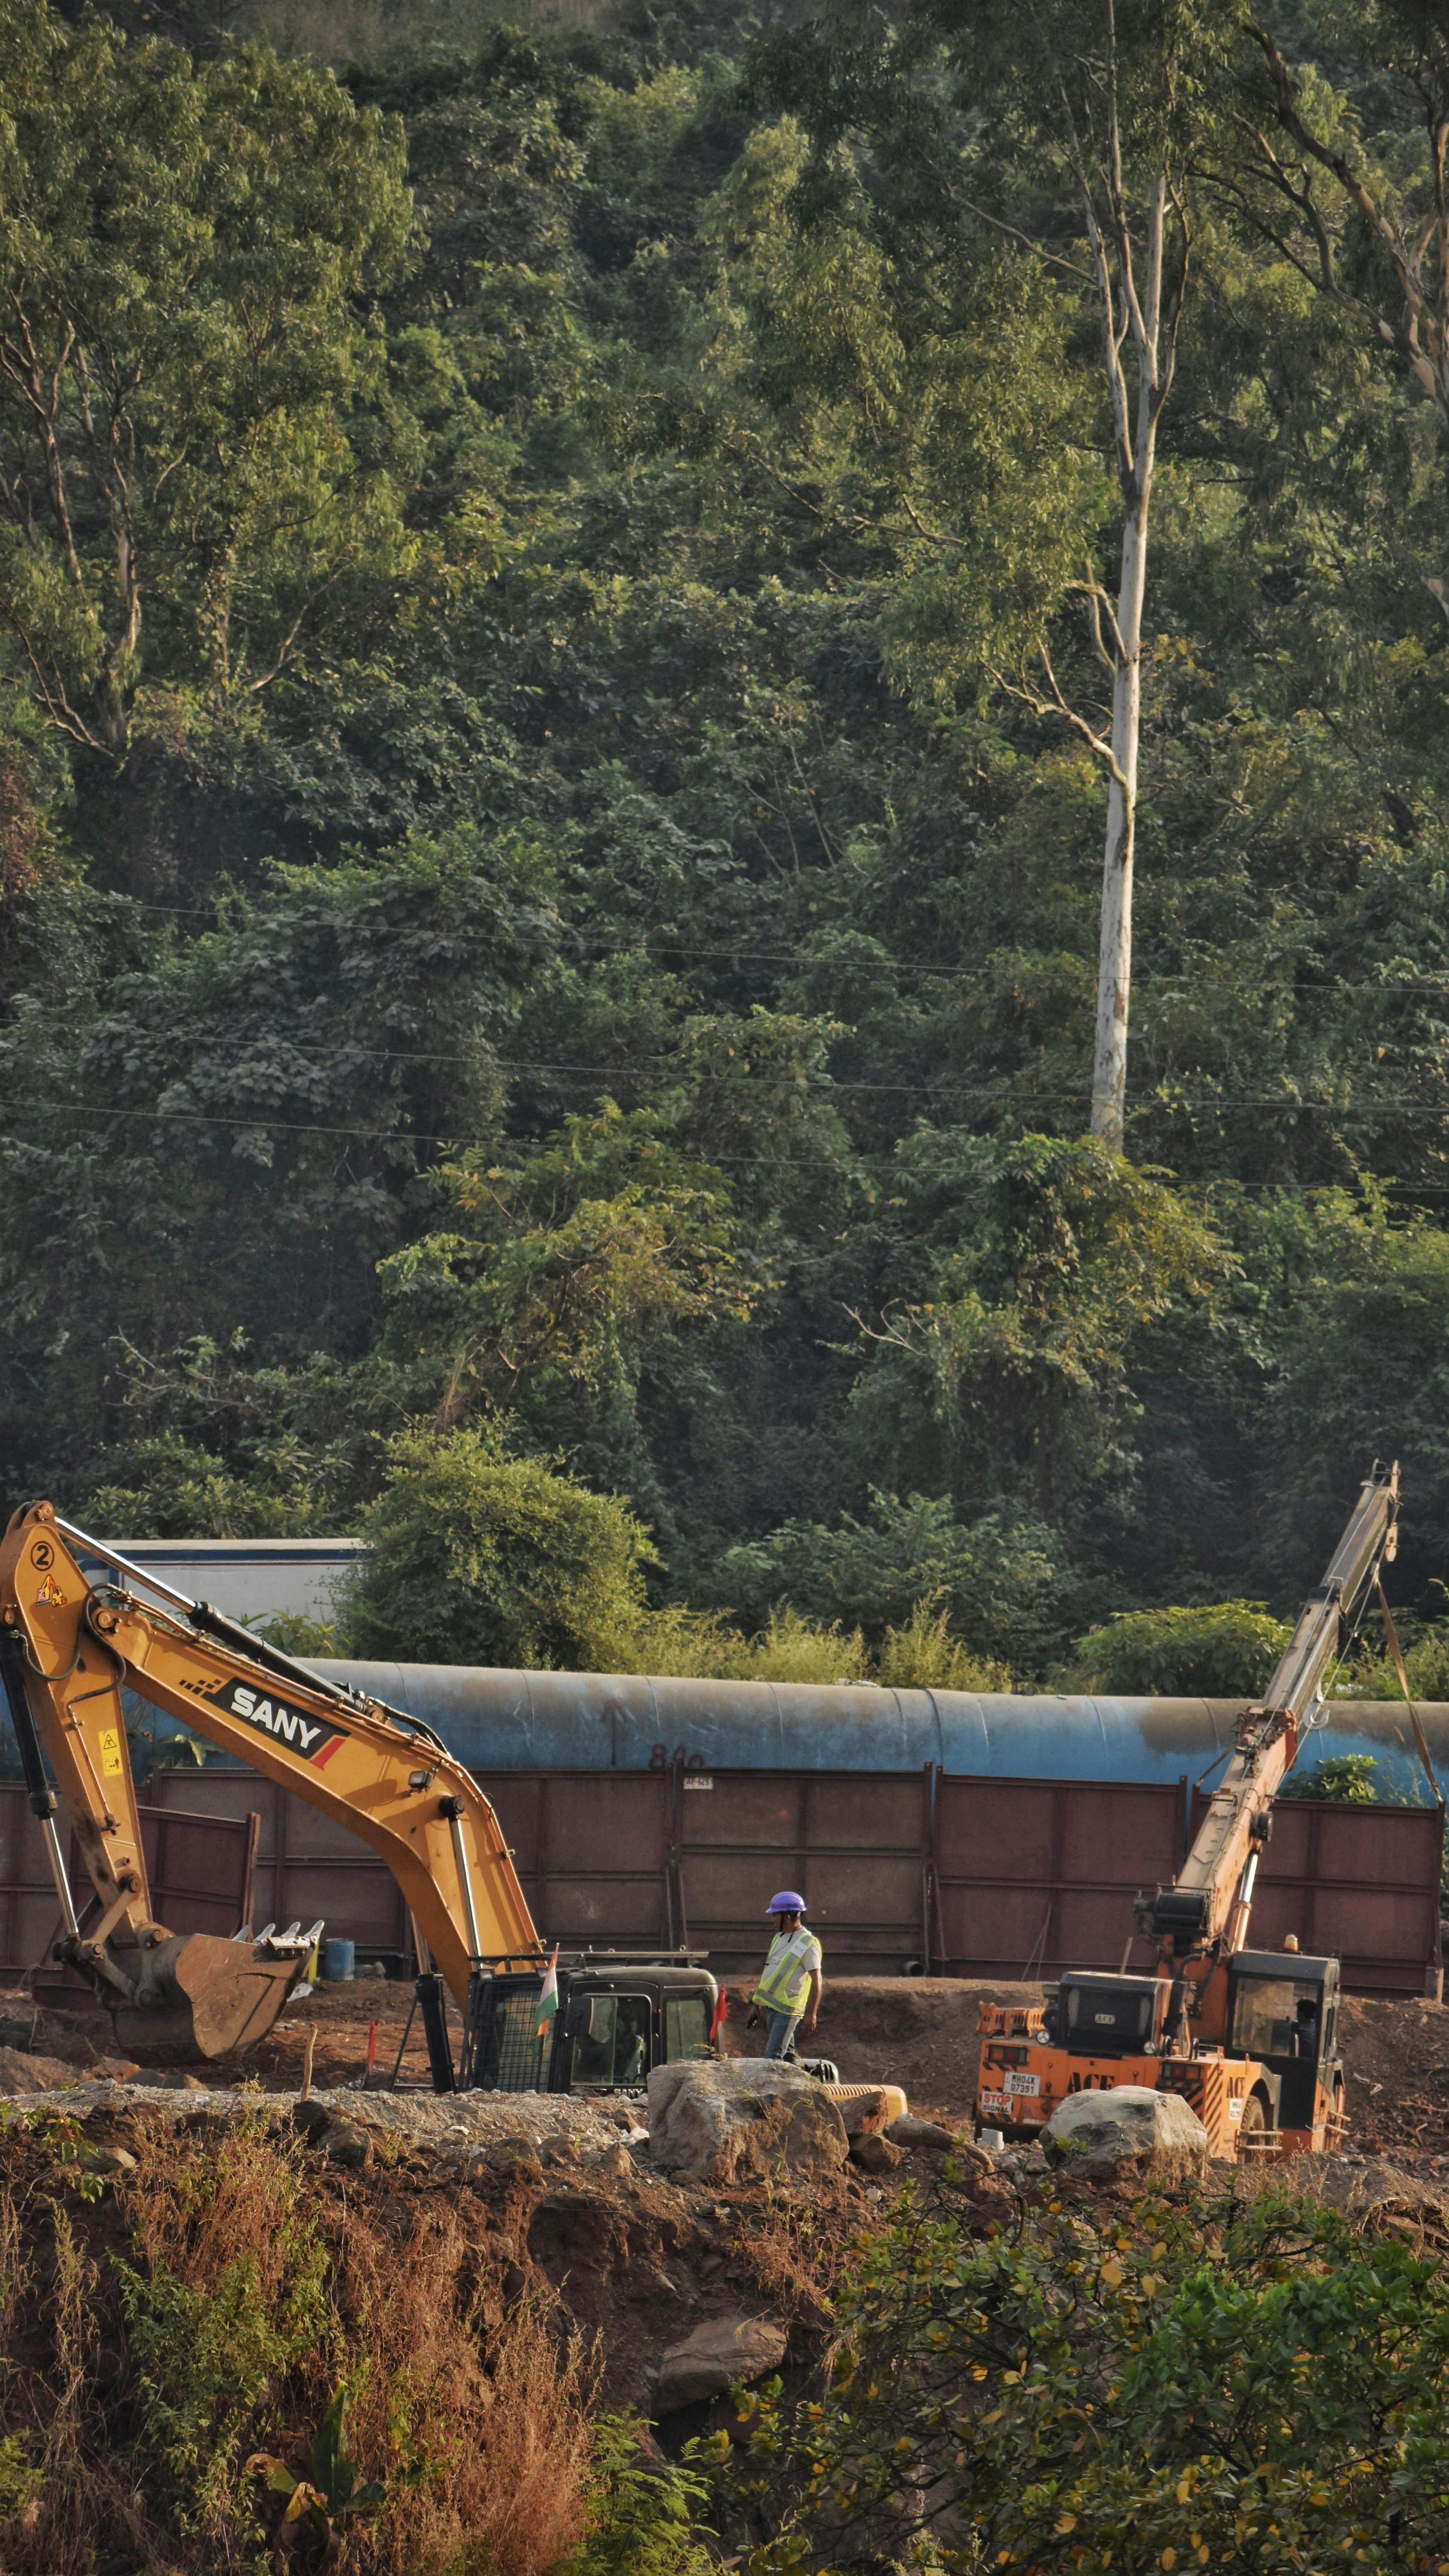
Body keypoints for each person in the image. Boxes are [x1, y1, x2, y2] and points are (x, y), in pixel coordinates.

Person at [748, 1891, 823, 2060]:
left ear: (787, 1916)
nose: (772, 1919)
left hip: (787, 2011)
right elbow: (770, 1974)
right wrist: (757, 2004)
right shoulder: (778, 1938)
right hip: (772, 2008)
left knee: (772, 2059)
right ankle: (802, 2086)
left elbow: (817, 1981)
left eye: (775, 1915)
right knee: (789, 2058)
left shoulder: (808, 1943)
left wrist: (811, 2014)